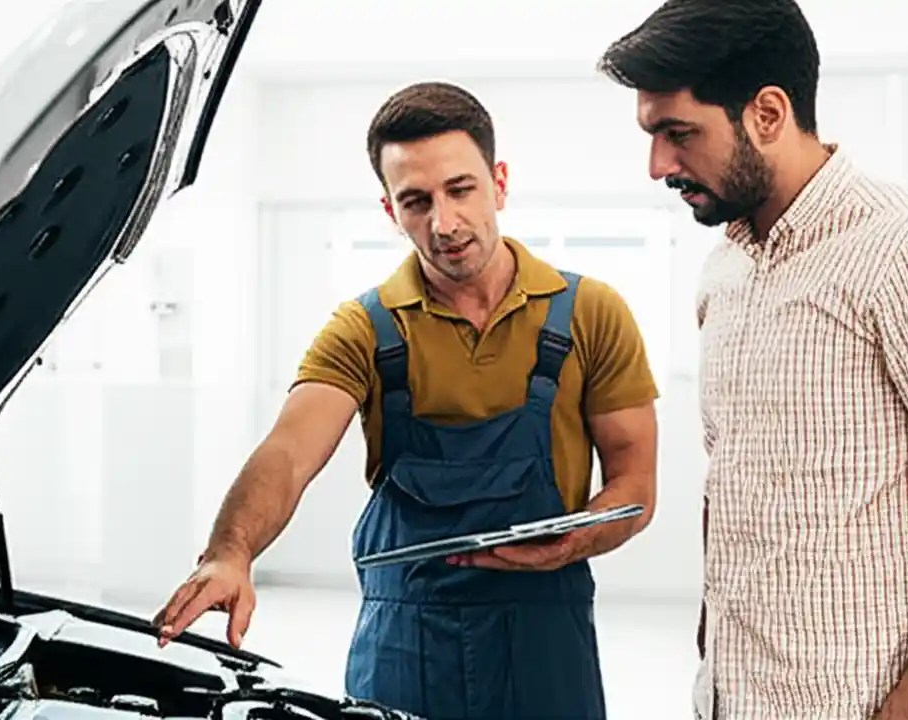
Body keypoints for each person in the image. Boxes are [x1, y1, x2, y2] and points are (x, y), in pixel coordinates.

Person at [596, 1, 908, 719]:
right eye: (652, 136)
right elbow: (736, 486)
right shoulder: (726, 271)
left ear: (768, 113)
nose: (659, 165)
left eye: (679, 134)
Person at [152, 80, 660, 719]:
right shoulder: (364, 329)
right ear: (391, 211)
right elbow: (287, 451)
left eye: (460, 190)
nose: (443, 224)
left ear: (498, 183)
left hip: (544, 643)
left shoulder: (591, 313)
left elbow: (634, 485)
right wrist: (230, 550)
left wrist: (568, 545)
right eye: (416, 201)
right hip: (403, 644)